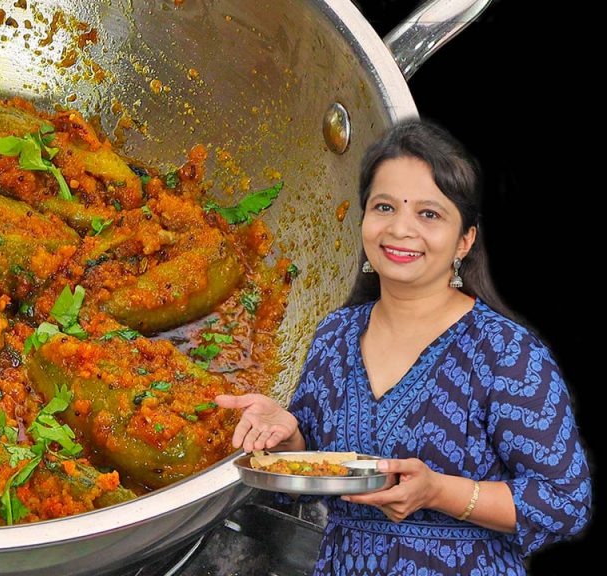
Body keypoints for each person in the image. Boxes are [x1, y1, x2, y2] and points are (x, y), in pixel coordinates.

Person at [216, 118, 592, 575]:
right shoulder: (336, 335)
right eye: (385, 207)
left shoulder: (506, 352)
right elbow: (314, 469)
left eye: (428, 214)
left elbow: (564, 503)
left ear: (464, 240)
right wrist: (284, 434)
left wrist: (438, 492)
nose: (400, 229)